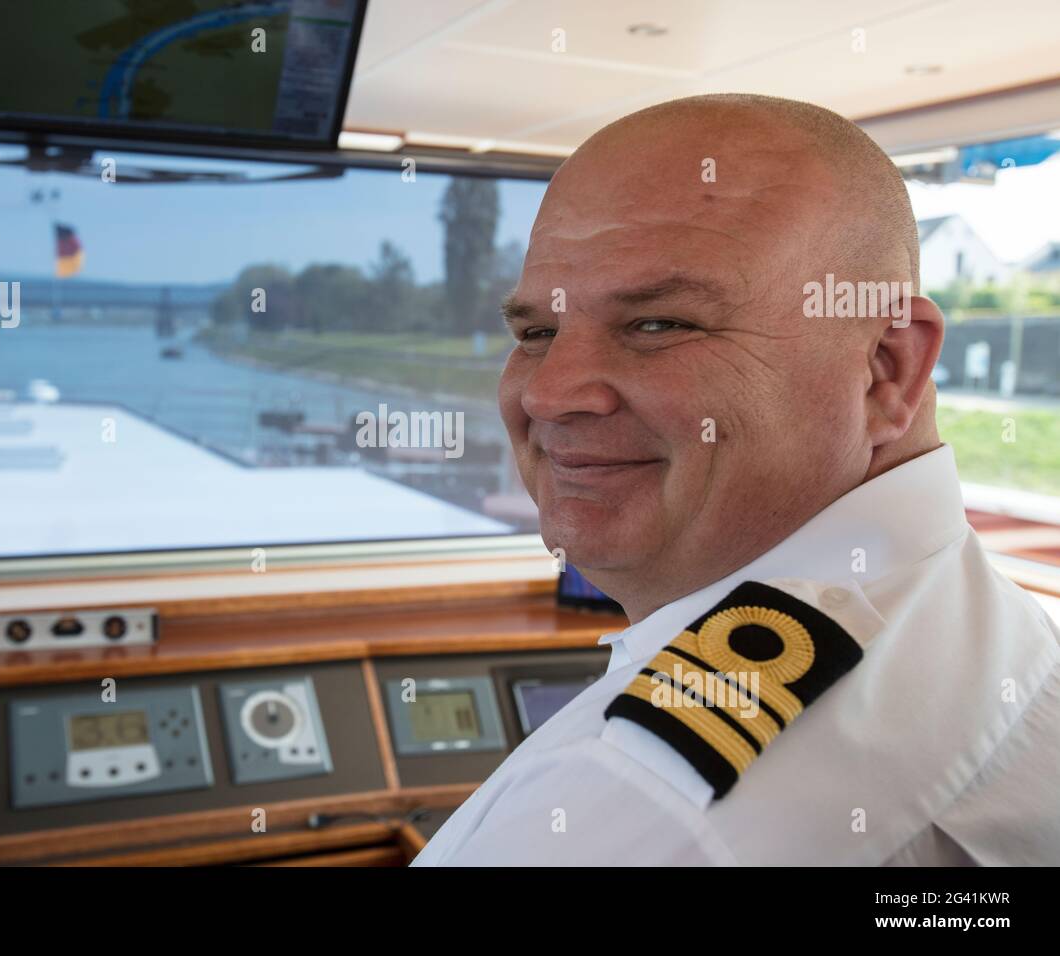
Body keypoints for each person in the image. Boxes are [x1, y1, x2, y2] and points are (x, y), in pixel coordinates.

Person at [412, 93, 1060, 866]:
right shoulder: (1005, 636)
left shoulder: (635, 810)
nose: (550, 394)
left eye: (660, 324)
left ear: (887, 370)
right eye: (537, 333)